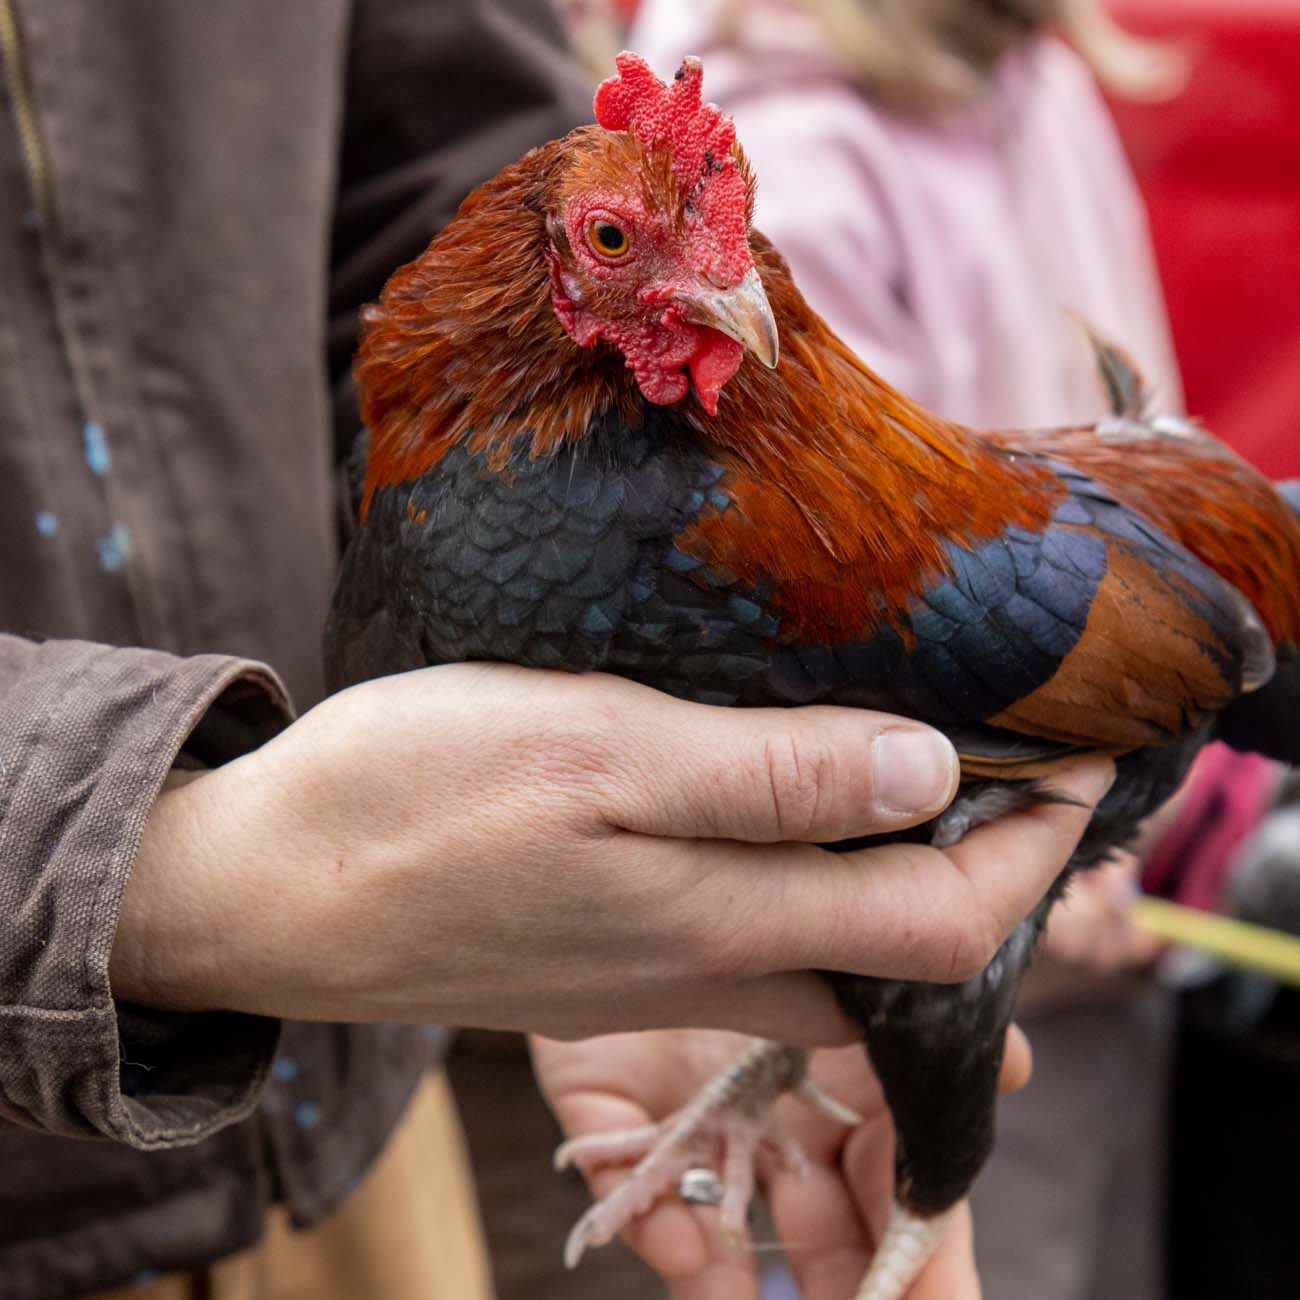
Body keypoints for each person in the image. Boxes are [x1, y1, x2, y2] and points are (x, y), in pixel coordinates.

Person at [0, 4, 1111, 1300]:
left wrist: (635, 887)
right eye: (615, 243)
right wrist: (172, 874)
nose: (730, 284)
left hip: (343, 1104)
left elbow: (452, 148)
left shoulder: (699, 464)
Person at [626, 2, 1185, 1297]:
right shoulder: (794, 164)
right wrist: (1017, 821)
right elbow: (845, 603)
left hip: (1087, 840)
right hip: (948, 880)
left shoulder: (1033, 75)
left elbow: (1145, 425)